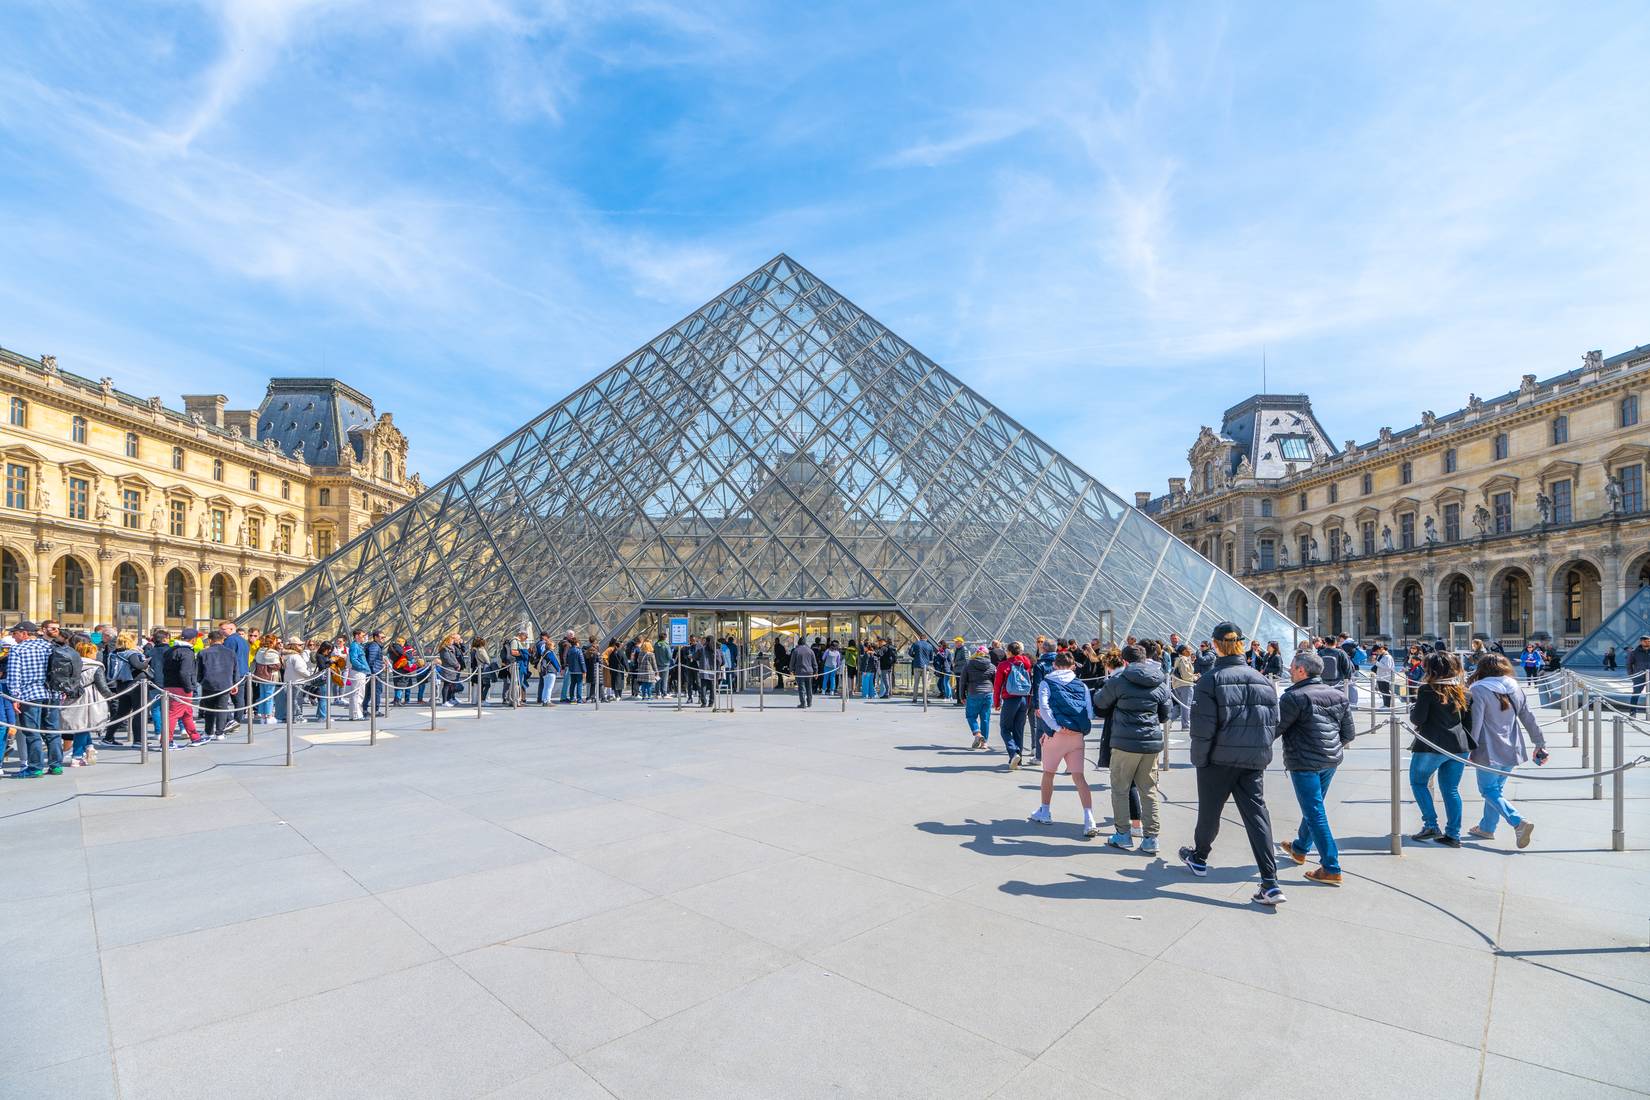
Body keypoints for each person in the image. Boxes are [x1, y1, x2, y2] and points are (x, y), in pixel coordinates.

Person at [1180, 622, 1286, 906]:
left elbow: (1202, 729)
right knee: (1257, 817)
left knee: (1210, 813)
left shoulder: (1210, 680)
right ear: (1241, 644)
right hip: (1253, 760)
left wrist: (1199, 759)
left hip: (1218, 759)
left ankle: (1199, 858)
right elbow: (1273, 722)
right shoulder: (1262, 679)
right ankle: (1271, 883)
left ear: (1215, 645)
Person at [1274, 650, 1356, 885]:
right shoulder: (1338, 694)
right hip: (1330, 760)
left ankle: (1331, 866)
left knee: (1314, 812)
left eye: (1292, 666)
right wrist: (1331, 748)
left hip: (1304, 762)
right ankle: (1300, 848)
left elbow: (1275, 729)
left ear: (1301, 670)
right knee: (1315, 807)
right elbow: (1348, 733)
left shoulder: (1294, 697)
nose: (1289, 670)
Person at [1091, 644, 1169, 851]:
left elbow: (1099, 704)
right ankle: (1151, 838)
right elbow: (1165, 714)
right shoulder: (1159, 680)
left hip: (1124, 742)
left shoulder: (1119, 680)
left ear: (1124, 661)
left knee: (1120, 789)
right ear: (1144, 659)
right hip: (1151, 742)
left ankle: (1123, 835)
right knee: (1149, 790)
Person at [1468, 653, 1547, 848]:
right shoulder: (1515, 688)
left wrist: (1470, 747)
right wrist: (1539, 743)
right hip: (1512, 747)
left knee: (1488, 790)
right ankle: (1487, 827)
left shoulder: (1478, 690)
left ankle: (1518, 822)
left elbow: (1476, 723)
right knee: (1496, 790)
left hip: (1488, 748)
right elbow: (1529, 718)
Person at [1027, 651, 1099, 836]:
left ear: (1054, 665)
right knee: (1079, 778)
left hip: (1056, 736)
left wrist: (1056, 728)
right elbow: (1088, 710)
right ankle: (1089, 818)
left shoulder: (1047, 682)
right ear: (1073, 666)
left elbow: (1044, 707)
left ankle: (1045, 811)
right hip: (1077, 736)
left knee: (1048, 774)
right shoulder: (1081, 685)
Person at [1407, 651, 1471, 847]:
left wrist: (1414, 708)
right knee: (1451, 789)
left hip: (1432, 745)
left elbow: (1417, 719)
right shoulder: (1465, 691)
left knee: (1418, 782)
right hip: (1459, 745)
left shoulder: (1428, 690)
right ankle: (1453, 834)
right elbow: (1470, 723)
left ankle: (1431, 824)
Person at [62, 638, 111, 766]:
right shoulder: (96, 666)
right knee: (83, 726)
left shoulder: (71, 664)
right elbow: (102, 686)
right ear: (89, 653)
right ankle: (77, 756)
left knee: (80, 724)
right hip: (89, 698)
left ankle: (89, 747)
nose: (96, 654)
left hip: (72, 697)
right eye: (94, 652)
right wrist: (111, 697)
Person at [994, 641, 1033, 770]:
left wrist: (997, 703)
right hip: (1023, 699)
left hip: (1010, 699)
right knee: (1018, 730)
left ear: (1009, 652)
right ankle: (1018, 760)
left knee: (1005, 728)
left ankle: (1013, 752)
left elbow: (998, 685)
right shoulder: (1025, 663)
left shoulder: (1004, 665)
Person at [161, 628, 203, 746]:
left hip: (169, 684)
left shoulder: (171, 650)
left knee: (187, 712)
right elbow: (185, 672)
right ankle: (166, 741)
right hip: (181, 687)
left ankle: (195, 737)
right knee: (173, 714)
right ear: (193, 639)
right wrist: (189, 687)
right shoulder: (187, 652)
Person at [197, 630, 240, 740]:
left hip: (208, 683)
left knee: (209, 709)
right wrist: (235, 684)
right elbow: (235, 670)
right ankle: (219, 733)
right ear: (222, 640)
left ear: (210, 640)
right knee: (222, 708)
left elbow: (199, 671)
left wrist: (201, 681)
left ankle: (208, 732)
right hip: (225, 683)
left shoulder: (203, 653)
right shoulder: (231, 652)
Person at [959, 644, 996, 749]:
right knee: (985, 718)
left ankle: (977, 734)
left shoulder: (969, 664)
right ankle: (984, 743)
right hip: (988, 693)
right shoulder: (992, 666)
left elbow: (962, 681)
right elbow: (996, 682)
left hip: (973, 692)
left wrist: (962, 696)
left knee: (970, 716)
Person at [1169, 644, 1197, 732]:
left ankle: (1168, 721)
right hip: (1185, 685)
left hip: (1177, 685)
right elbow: (1185, 675)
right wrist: (1195, 677)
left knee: (1178, 706)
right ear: (1184, 651)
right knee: (1186, 706)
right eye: (1189, 649)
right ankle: (1186, 726)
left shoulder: (1178, 659)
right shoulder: (1184, 660)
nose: (1191, 650)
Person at [790, 636, 817, 708]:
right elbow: (814, 662)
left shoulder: (796, 650)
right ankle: (809, 702)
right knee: (809, 688)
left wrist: (791, 670)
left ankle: (803, 703)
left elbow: (792, 662)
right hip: (809, 672)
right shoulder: (810, 651)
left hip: (800, 672)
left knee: (801, 688)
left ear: (798, 642)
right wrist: (816, 672)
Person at [1628, 634, 1650, 716]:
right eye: (1646, 641)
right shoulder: (1634, 652)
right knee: (1636, 694)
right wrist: (1632, 676)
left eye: (1649, 641)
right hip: (1639, 677)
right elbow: (1629, 665)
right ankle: (1632, 711)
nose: (1648, 643)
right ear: (1641, 642)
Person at [1372, 644, 1396, 709]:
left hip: (1386, 677)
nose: (1377, 653)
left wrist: (1376, 662)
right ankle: (1385, 704)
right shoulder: (1381, 656)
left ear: (1381, 649)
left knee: (1386, 691)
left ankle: (1387, 705)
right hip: (1381, 676)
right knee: (1382, 691)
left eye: (1377, 651)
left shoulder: (1387, 657)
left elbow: (1387, 667)